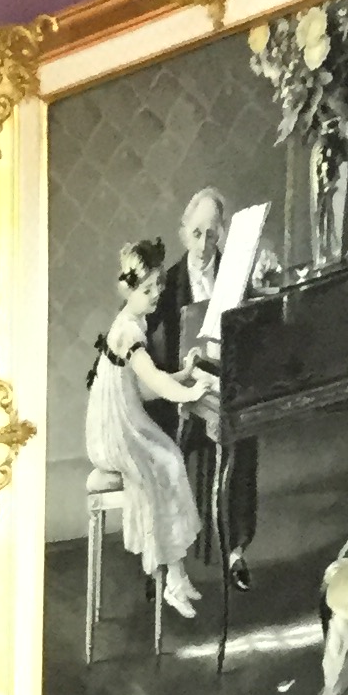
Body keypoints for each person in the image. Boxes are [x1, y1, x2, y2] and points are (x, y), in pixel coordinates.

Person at [85, 239, 215, 619]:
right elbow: (154, 382)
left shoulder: (135, 323)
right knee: (166, 465)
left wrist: (184, 374)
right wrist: (189, 392)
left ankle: (177, 574)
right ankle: (172, 580)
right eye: (147, 289)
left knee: (171, 461)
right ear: (128, 291)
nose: (156, 293)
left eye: (158, 285)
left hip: (125, 416)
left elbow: (142, 387)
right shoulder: (128, 331)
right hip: (112, 430)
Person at [148, 188, 259, 586]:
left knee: (244, 433)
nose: (203, 243)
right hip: (182, 391)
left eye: (211, 234)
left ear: (221, 234)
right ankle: (168, 557)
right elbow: (138, 331)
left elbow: (253, 323)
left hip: (224, 384)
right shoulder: (169, 282)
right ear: (183, 232)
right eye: (196, 233)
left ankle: (236, 550)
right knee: (167, 448)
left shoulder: (234, 272)